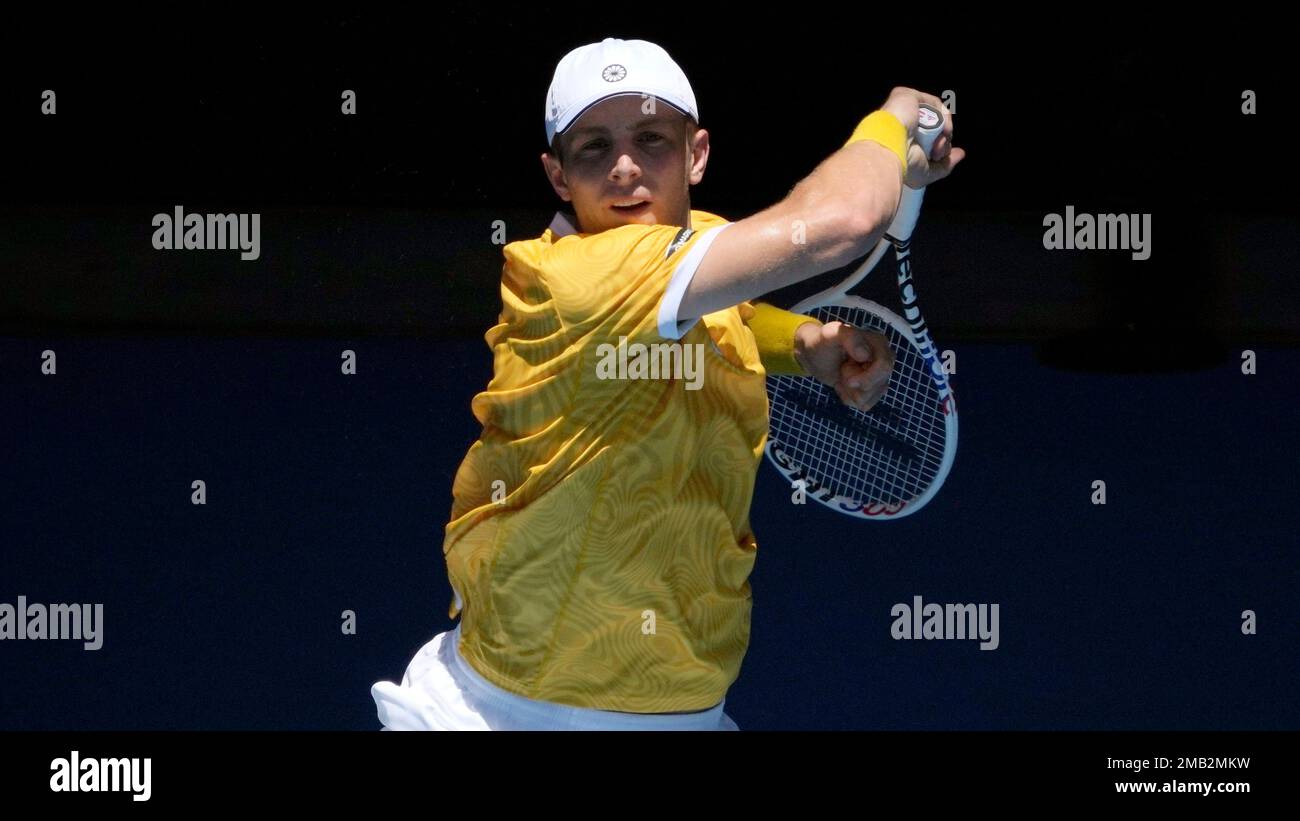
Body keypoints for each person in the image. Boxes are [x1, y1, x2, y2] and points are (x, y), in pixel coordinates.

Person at [371, 37, 963, 730]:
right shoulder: (579, 280)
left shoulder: (693, 249)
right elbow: (845, 223)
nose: (624, 168)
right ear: (558, 176)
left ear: (697, 154)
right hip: (506, 713)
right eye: (593, 148)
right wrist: (888, 123)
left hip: (684, 706)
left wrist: (800, 344)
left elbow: (719, 312)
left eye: (650, 138)